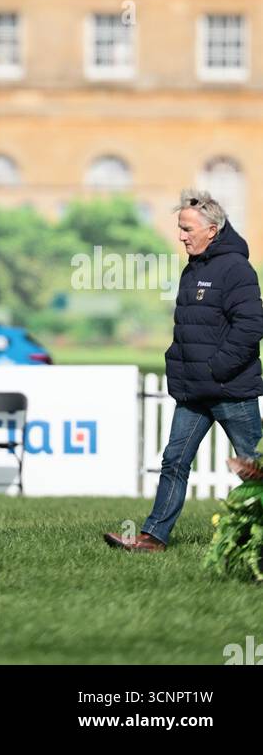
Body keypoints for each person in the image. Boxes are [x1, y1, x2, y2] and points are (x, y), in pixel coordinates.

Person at [104, 188, 263, 552]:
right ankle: (153, 537)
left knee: (255, 471)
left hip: (231, 390)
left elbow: (251, 325)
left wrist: (216, 368)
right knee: (174, 461)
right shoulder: (194, 268)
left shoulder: (236, 269)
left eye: (187, 229)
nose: (181, 236)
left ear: (212, 230)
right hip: (194, 392)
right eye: (180, 227)